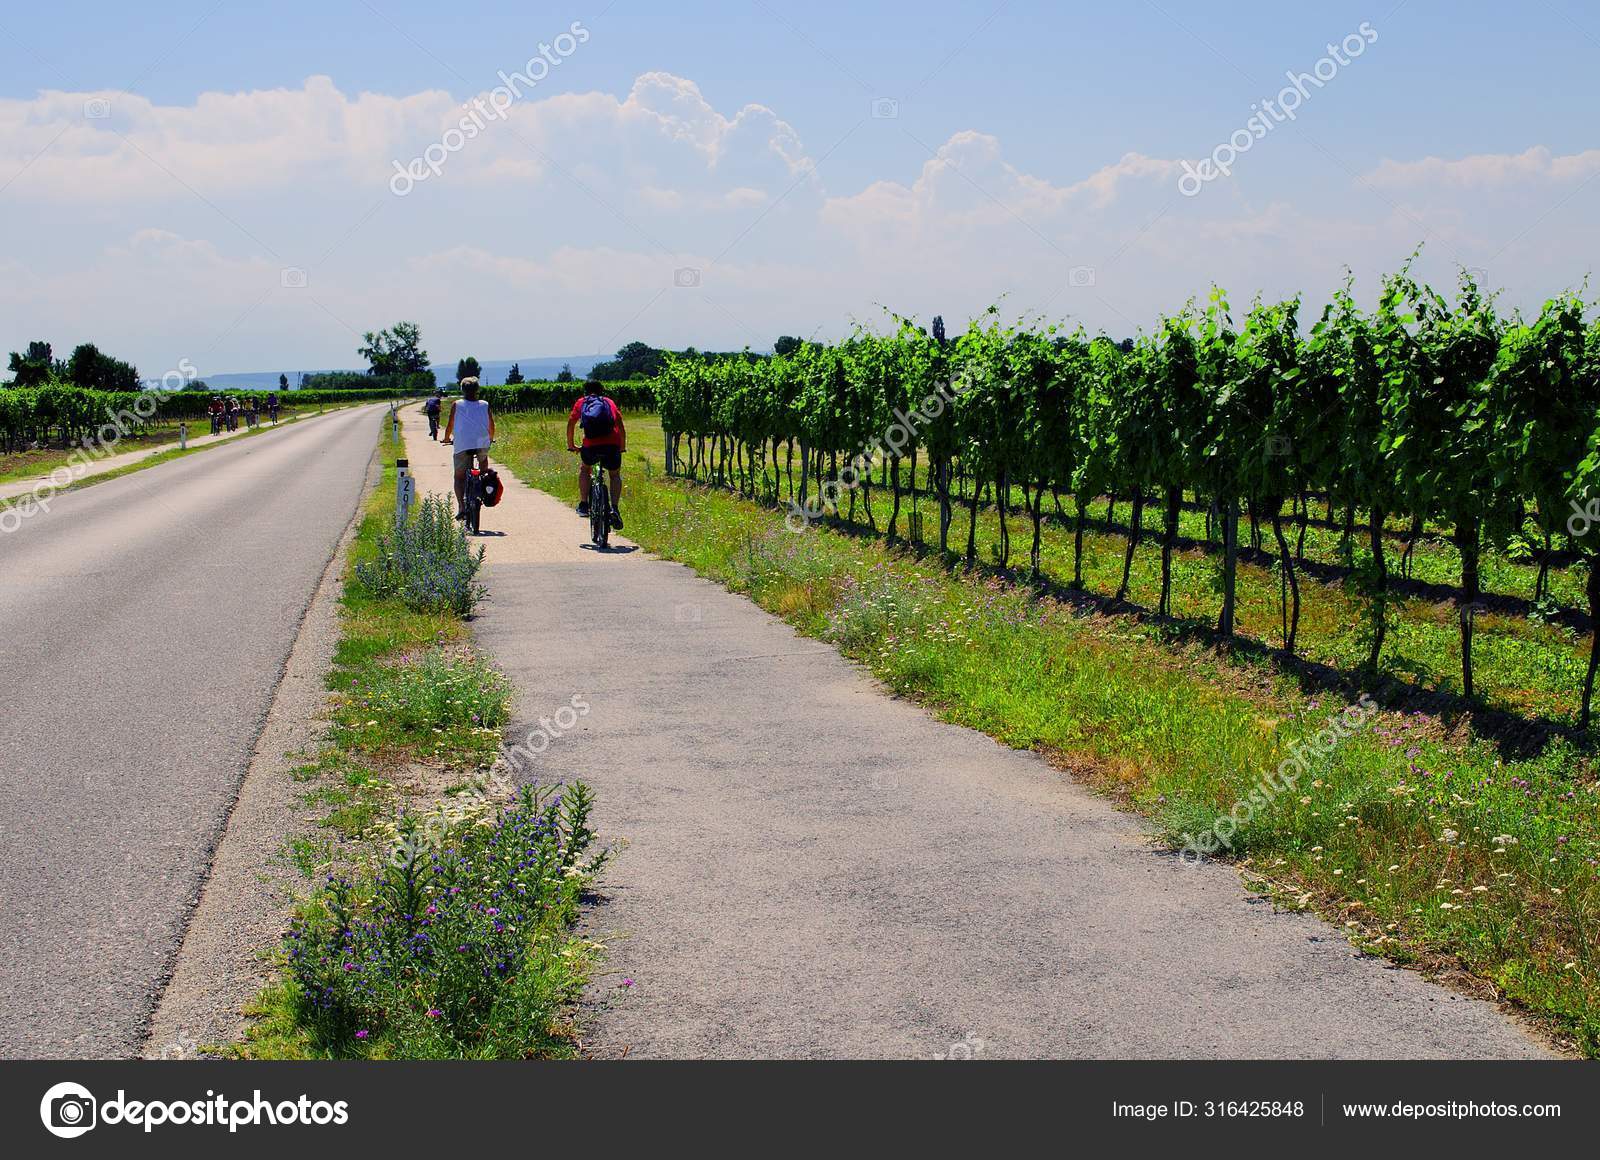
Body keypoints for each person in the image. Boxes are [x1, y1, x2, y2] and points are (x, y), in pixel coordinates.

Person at [567, 380, 624, 529]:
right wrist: (622, 447)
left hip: (590, 447)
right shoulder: (609, 402)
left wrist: (571, 445)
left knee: (585, 469)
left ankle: (584, 504)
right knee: (614, 475)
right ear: (602, 391)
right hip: (612, 446)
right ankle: (615, 508)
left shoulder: (582, 402)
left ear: (585, 391)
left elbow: (571, 423)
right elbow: (620, 424)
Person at [441, 377, 494, 521]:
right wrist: (490, 438)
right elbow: (491, 425)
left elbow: (450, 424)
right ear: (477, 390)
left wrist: (447, 438)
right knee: (484, 467)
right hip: (482, 442)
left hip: (462, 444)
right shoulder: (484, 404)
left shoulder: (456, 404)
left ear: (462, 390)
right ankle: (483, 487)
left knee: (459, 477)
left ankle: (462, 507)